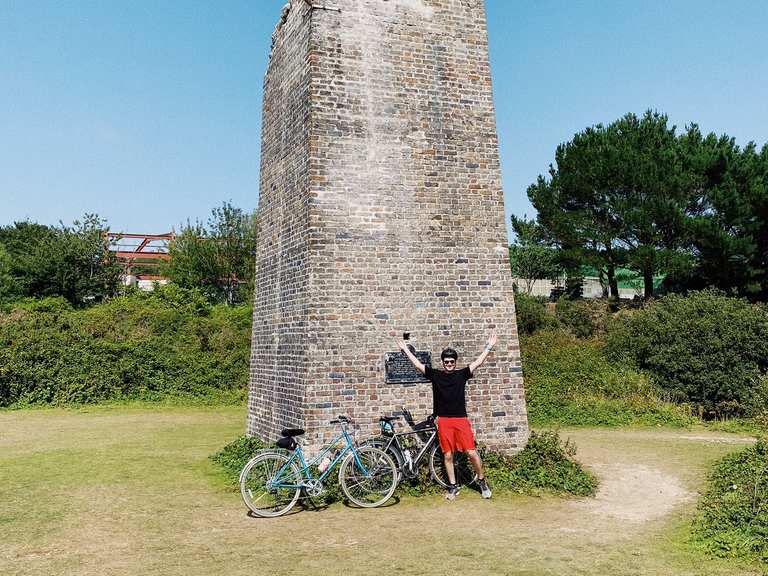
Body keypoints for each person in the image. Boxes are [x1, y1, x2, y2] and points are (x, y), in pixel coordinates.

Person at [396, 333, 497, 500]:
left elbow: (479, 362)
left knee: (471, 452)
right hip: (443, 420)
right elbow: (418, 365)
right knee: (448, 455)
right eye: (446, 361)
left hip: (460, 419)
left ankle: (481, 480)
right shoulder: (436, 375)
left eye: (452, 361)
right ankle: (453, 486)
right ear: (443, 362)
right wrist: (405, 349)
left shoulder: (462, 374)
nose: (449, 364)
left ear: (455, 363)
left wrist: (489, 346)